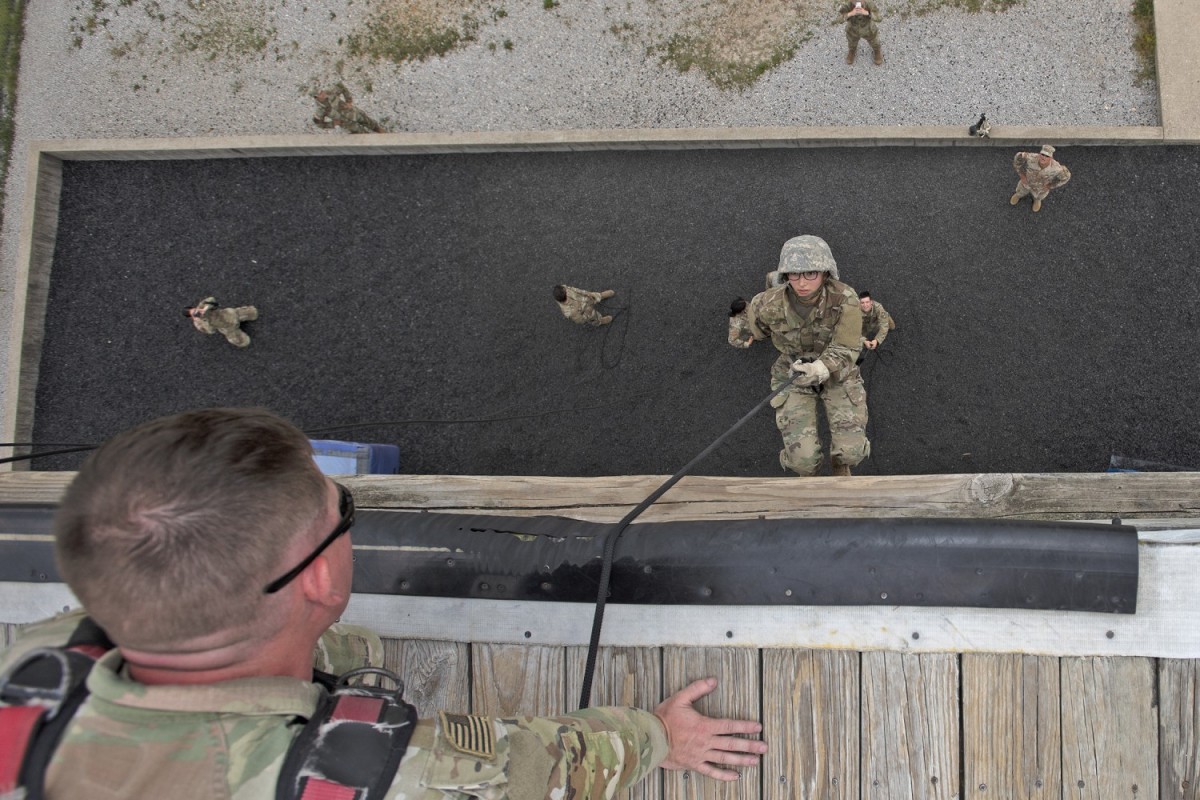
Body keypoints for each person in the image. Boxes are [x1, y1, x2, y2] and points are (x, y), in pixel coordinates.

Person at [0, 408, 766, 798]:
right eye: (342, 514)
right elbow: (550, 767)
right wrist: (657, 735)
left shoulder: (29, 675)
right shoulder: (403, 780)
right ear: (318, 580)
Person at [747, 236, 869, 477]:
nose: (802, 282)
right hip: (793, 371)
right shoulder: (765, 304)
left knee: (852, 453)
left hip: (836, 373)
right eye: (793, 274)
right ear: (785, 276)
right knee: (802, 462)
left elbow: (847, 347)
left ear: (825, 273)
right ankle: (809, 478)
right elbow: (758, 330)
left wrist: (821, 368)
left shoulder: (846, 298)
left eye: (810, 273)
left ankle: (840, 468)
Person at [1010, 144, 1071, 212]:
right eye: (1042, 154)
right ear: (1039, 154)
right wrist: (1022, 175)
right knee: (1021, 190)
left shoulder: (1057, 168)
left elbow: (1066, 177)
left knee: (1039, 196)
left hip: (1041, 187)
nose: (1043, 157)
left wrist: (1050, 186)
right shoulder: (1031, 157)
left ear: (1051, 158)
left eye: (1047, 156)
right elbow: (1018, 158)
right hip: (1027, 181)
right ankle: (1018, 195)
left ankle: (1037, 201)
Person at [185, 295, 258, 348]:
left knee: (253, 312)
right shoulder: (198, 323)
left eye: (195, 310)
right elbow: (211, 331)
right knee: (243, 342)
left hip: (230, 314)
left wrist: (205, 308)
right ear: (191, 317)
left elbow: (212, 299)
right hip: (226, 328)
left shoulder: (201, 305)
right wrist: (203, 320)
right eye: (194, 314)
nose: (197, 312)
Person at [312, 83, 387, 134]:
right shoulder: (320, 110)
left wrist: (349, 101)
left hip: (354, 113)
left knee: (370, 123)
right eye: (320, 94)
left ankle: (380, 132)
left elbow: (341, 86)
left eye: (322, 91)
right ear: (316, 97)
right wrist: (333, 124)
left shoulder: (330, 92)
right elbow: (319, 124)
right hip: (347, 124)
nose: (323, 93)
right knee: (363, 135)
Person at [838, 0, 882, 65]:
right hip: (853, 30)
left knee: (874, 41)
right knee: (851, 42)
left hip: (868, 29)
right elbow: (838, 19)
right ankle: (852, 50)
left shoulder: (869, 4)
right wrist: (850, 13)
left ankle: (877, 50)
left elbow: (879, 18)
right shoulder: (847, 6)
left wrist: (867, 13)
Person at [857, 290, 895, 357]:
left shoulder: (878, 307)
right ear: (859, 303)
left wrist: (877, 340)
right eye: (862, 303)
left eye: (867, 302)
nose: (865, 305)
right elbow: (852, 330)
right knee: (854, 340)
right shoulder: (854, 311)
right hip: (863, 325)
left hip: (875, 322)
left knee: (891, 326)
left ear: (871, 302)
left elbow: (884, 325)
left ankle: (886, 316)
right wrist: (864, 341)